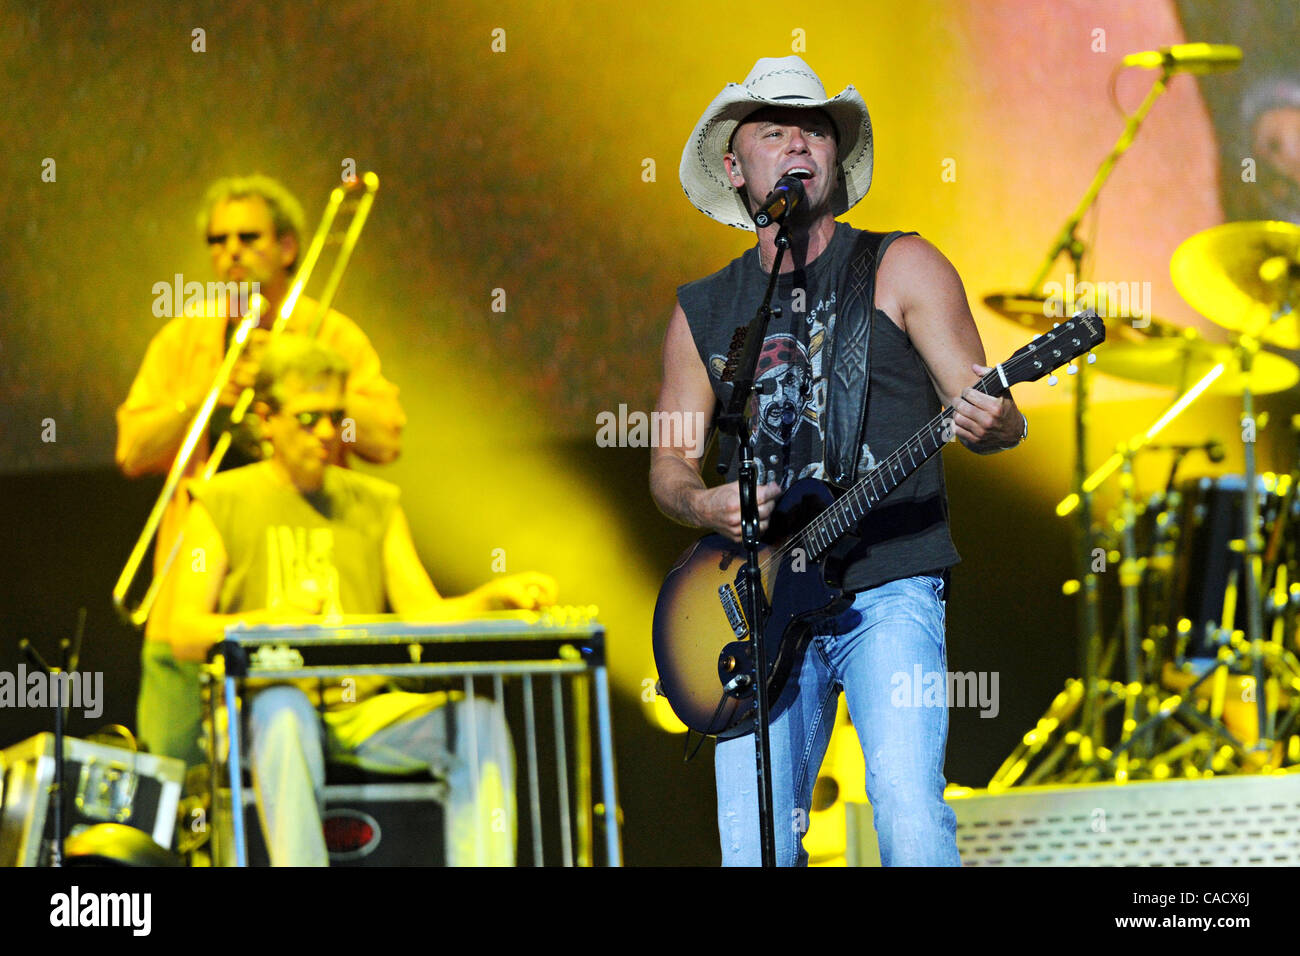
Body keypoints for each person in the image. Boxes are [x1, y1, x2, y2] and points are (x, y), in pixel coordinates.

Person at [650, 56, 1026, 866]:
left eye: (814, 130)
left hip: (888, 582)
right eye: (775, 130)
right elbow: (670, 466)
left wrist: (996, 420)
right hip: (757, 601)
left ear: (833, 156)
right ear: (734, 165)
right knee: (754, 846)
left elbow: (985, 406)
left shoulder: (900, 264)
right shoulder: (704, 310)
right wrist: (704, 504)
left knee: (908, 813)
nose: (798, 144)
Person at [168, 337, 556, 865]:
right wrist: (265, 624)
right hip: (260, 714)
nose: (327, 433)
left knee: (479, 722)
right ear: (266, 419)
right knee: (285, 711)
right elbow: (184, 630)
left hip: (364, 713)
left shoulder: (375, 505)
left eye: (334, 416)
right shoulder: (219, 503)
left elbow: (422, 614)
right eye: (308, 418)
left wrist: (492, 597)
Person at [116, 174, 407, 769]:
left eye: (248, 237)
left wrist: (304, 381)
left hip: (303, 607)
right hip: (192, 604)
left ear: (287, 247)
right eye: (218, 241)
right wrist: (206, 394)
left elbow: (386, 435)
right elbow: (132, 447)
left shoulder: (331, 334)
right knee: (177, 783)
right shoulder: (185, 339)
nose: (230, 252)